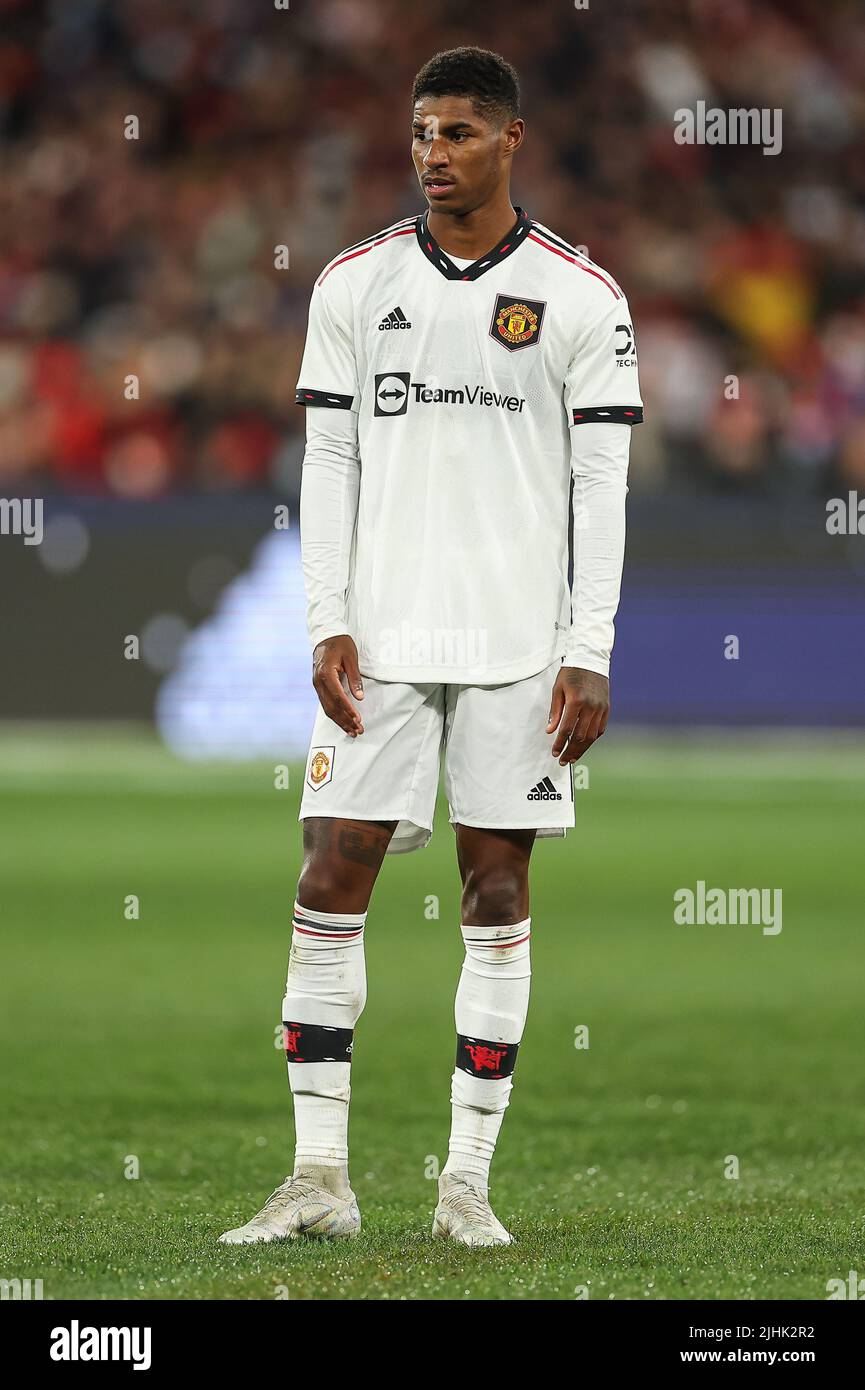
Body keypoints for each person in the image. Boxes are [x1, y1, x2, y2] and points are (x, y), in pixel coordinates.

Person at [220, 44, 642, 1249]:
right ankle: (318, 1179)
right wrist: (327, 620)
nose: (433, 153)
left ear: (511, 139)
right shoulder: (353, 283)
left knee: (497, 891)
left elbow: (600, 489)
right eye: (420, 133)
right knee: (327, 874)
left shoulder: (579, 295)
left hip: (518, 646)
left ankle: (465, 1183)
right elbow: (331, 462)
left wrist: (589, 645)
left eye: (458, 132)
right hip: (385, 641)